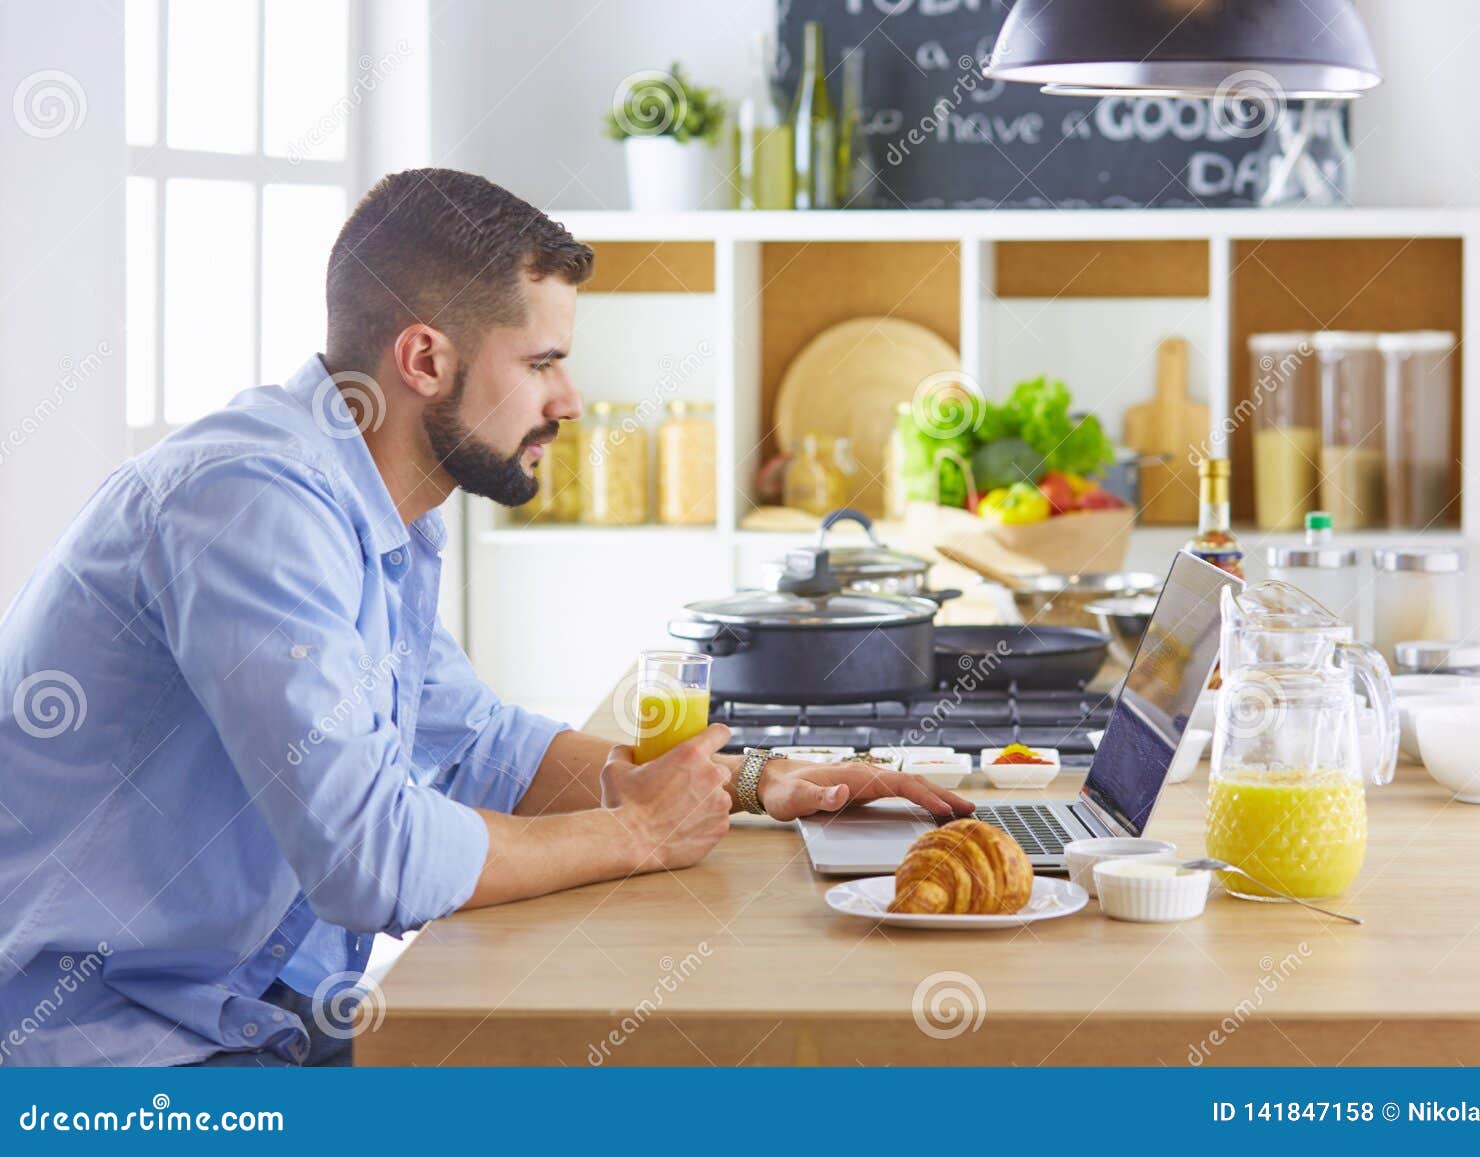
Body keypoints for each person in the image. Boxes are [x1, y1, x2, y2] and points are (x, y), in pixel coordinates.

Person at [0, 168, 972, 1067]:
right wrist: (636, 833)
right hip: (112, 1060)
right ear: (425, 357)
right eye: (544, 361)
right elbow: (368, 856)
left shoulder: (377, 506)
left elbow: (477, 745)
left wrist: (752, 780)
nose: (571, 400)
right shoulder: (255, 504)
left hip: (258, 1024)